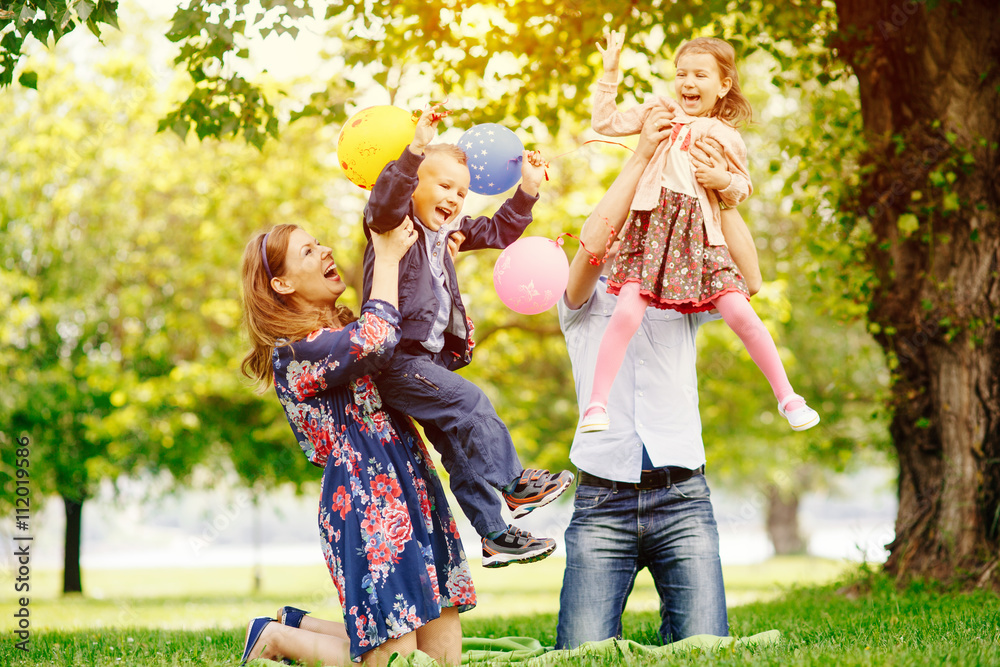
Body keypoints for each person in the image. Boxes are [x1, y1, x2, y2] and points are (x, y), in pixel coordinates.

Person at [239, 220, 474, 665]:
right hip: (365, 501)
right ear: (282, 283)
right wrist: (386, 256)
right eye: (308, 252)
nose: (326, 251)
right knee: (395, 661)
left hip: (412, 483)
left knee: (442, 658)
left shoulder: (348, 329)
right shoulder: (294, 352)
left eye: (318, 243)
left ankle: (299, 623)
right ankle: (276, 637)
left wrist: (440, 275)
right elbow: (375, 340)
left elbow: (439, 355)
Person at [556, 108, 741, 648]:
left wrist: (720, 192)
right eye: (617, 231)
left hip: (682, 497)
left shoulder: (681, 290)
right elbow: (593, 242)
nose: (619, 239)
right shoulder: (580, 303)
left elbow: (748, 277)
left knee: (706, 647)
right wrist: (642, 156)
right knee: (582, 654)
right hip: (601, 503)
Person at [362, 105, 574, 568]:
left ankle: (496, 535)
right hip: (399, 359)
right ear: (414, 183)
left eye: (461, 191)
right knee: (472, 405)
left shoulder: (449, 232)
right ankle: (516, 482)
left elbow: (500, 231)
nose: (455, 198)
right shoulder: (392, 225)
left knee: (460, 451)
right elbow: (384, 201)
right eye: (443, 186)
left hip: (429, 365)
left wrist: (528, 191)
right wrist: (416, 149)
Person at [580, 28, 819, 434]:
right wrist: (611, 70)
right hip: (652, 232)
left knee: (742, 313)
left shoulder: (727, 137)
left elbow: (742, 188)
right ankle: (596, 405)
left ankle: (788, 396)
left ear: (724, 85)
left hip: (701, 239)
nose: (688, 82)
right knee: (625, 313)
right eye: (681, 73)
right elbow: (604, 120)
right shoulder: (659, 112)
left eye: (700, 75)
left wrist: (720, 178)